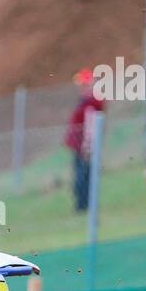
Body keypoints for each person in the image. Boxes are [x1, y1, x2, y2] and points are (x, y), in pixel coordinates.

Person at [64, 68, 104, 212]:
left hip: (84, 144)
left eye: (83, 84)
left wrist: (87, 146)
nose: (81, 87)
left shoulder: (91, 102)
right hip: (79, 143)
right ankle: (82, 204)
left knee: (83, 175)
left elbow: (90, 126)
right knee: (81, 174)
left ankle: (83, 205)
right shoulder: (87, 100)